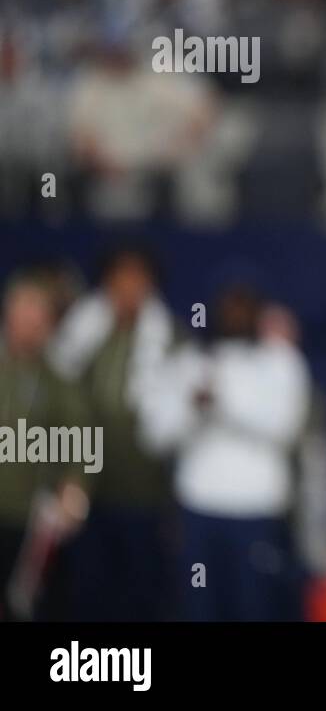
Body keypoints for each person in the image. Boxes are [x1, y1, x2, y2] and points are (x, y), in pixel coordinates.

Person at [139, 284, 311, 621]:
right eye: (228, 305)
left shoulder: (281, 362)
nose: (235, 313)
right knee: (198, 608)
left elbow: (286, 427)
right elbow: (154, 435)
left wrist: (223, 402)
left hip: (256, 515)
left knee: (254, 609)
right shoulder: (189, 362)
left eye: (244, 305)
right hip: (199, 514)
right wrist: (193, 407)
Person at [49, 245, 178, 621]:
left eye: (139, 278)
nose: (129, 286)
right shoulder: (80, 335)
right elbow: (60, 399)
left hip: (145, 492)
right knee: (89, 589)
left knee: (141, 590)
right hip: (85, 489)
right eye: (120, 276)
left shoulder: (169, 337)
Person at [0, 275, 88, 621]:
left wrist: (75, 484)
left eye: (38, 320)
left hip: (33, 521)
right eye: (21, 317)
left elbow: (80, 438)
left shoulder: (60, 378)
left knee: (27, 606)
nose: (28, 328)